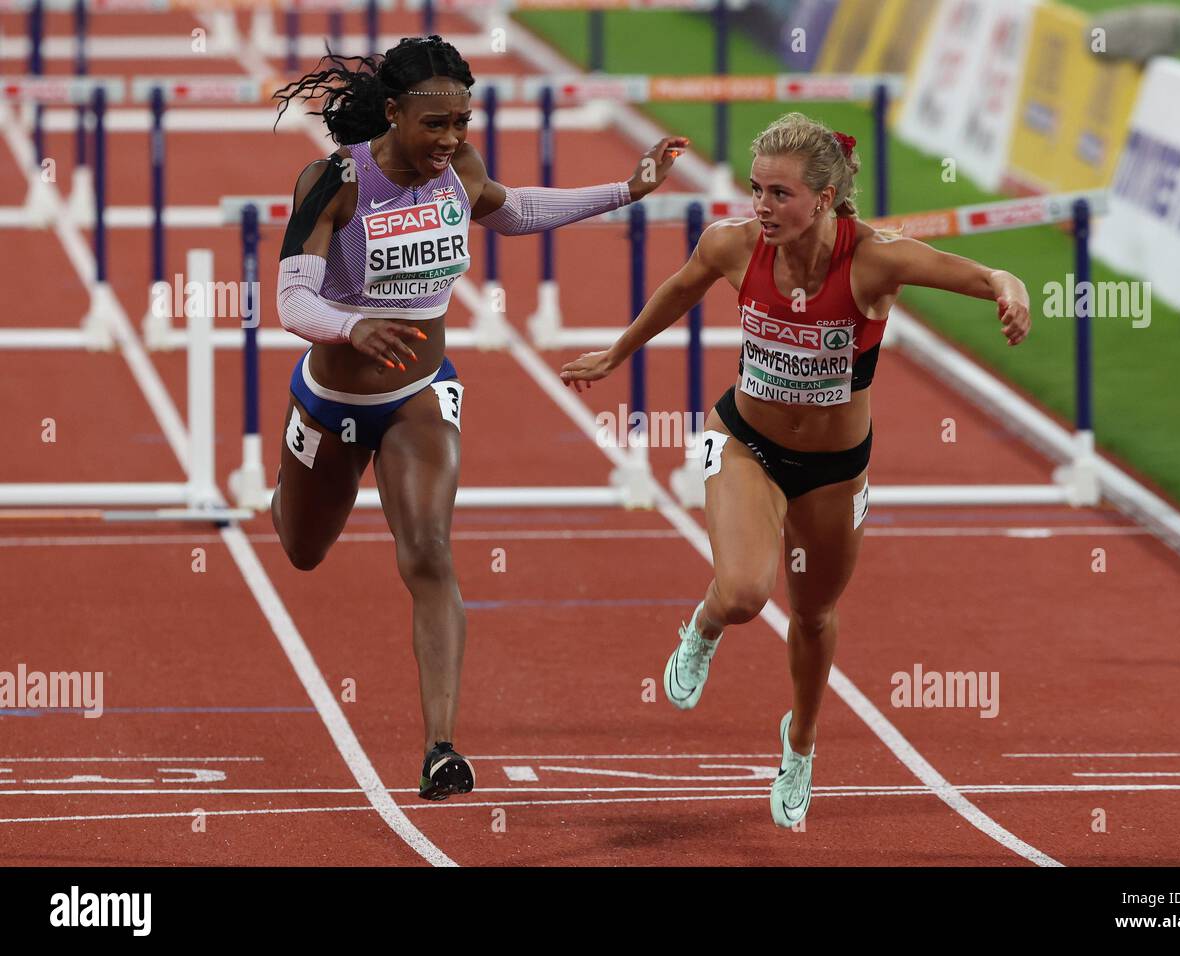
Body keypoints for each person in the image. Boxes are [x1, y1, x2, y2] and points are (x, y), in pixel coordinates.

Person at [560, 112, 1031, 827]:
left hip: (837, 469)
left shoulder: (875, 258)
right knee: (747, 591)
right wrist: (617, 352)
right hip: (749, 441)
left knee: (813, 615)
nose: (763, 206)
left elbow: (979, 274)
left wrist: (1009, 287)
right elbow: (681, 290)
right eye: (757, 189)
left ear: (825, 196)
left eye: (780, 194)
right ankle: (705, 626)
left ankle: (800, 742)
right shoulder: (731, 244)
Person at [269, 36, 687, 800]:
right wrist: (349, 324)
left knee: (428, 550)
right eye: (436, 124)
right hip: (331, 399)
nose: (453, 138)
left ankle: (441, 750)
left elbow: (515, 209)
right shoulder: (332, 182)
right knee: (302, 549)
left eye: (463, 120)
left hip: (420, 393)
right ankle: (292, 472)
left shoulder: (456, 171)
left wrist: (628, 189)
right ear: (392, 114)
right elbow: (291, 299)